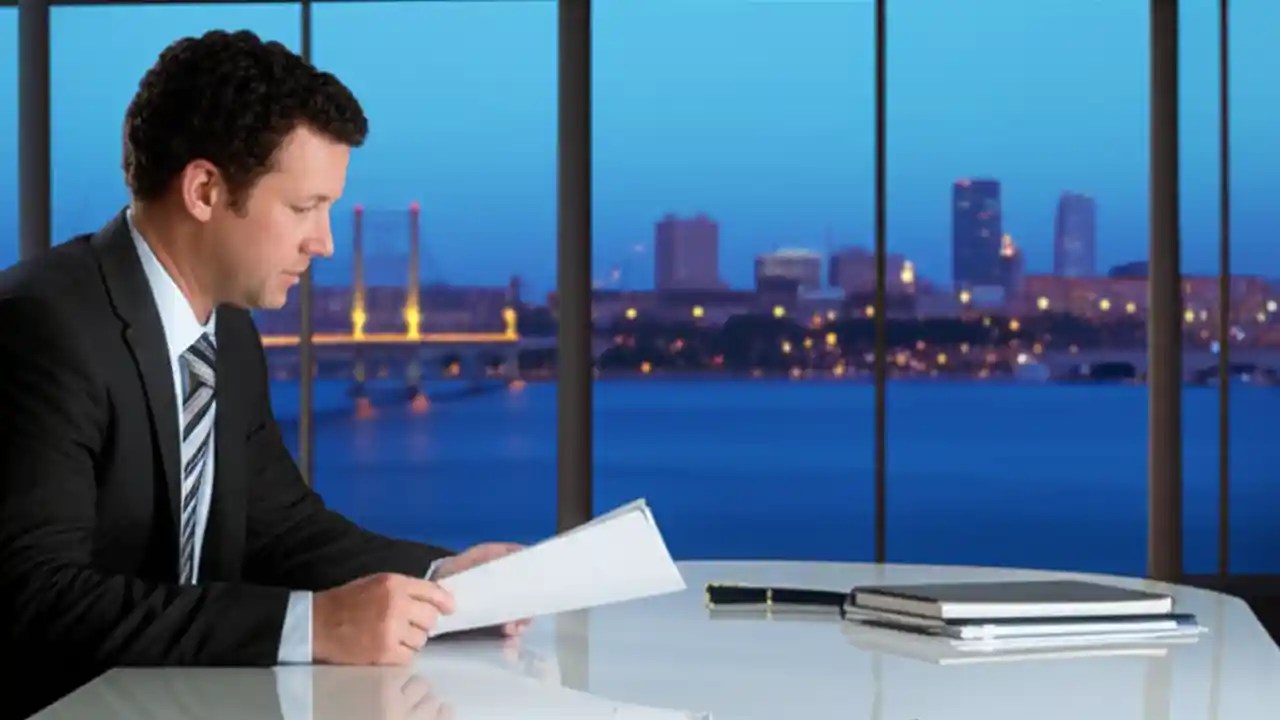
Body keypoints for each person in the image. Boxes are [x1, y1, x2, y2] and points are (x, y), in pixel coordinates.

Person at [0, 29, 527, 718]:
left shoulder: (229, 335)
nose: (325, 242)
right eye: (305, 208)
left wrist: (443, 581)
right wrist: (313, 627)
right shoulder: (41, 326)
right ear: (205, 190)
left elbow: (282, 529)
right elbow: (36, 598)